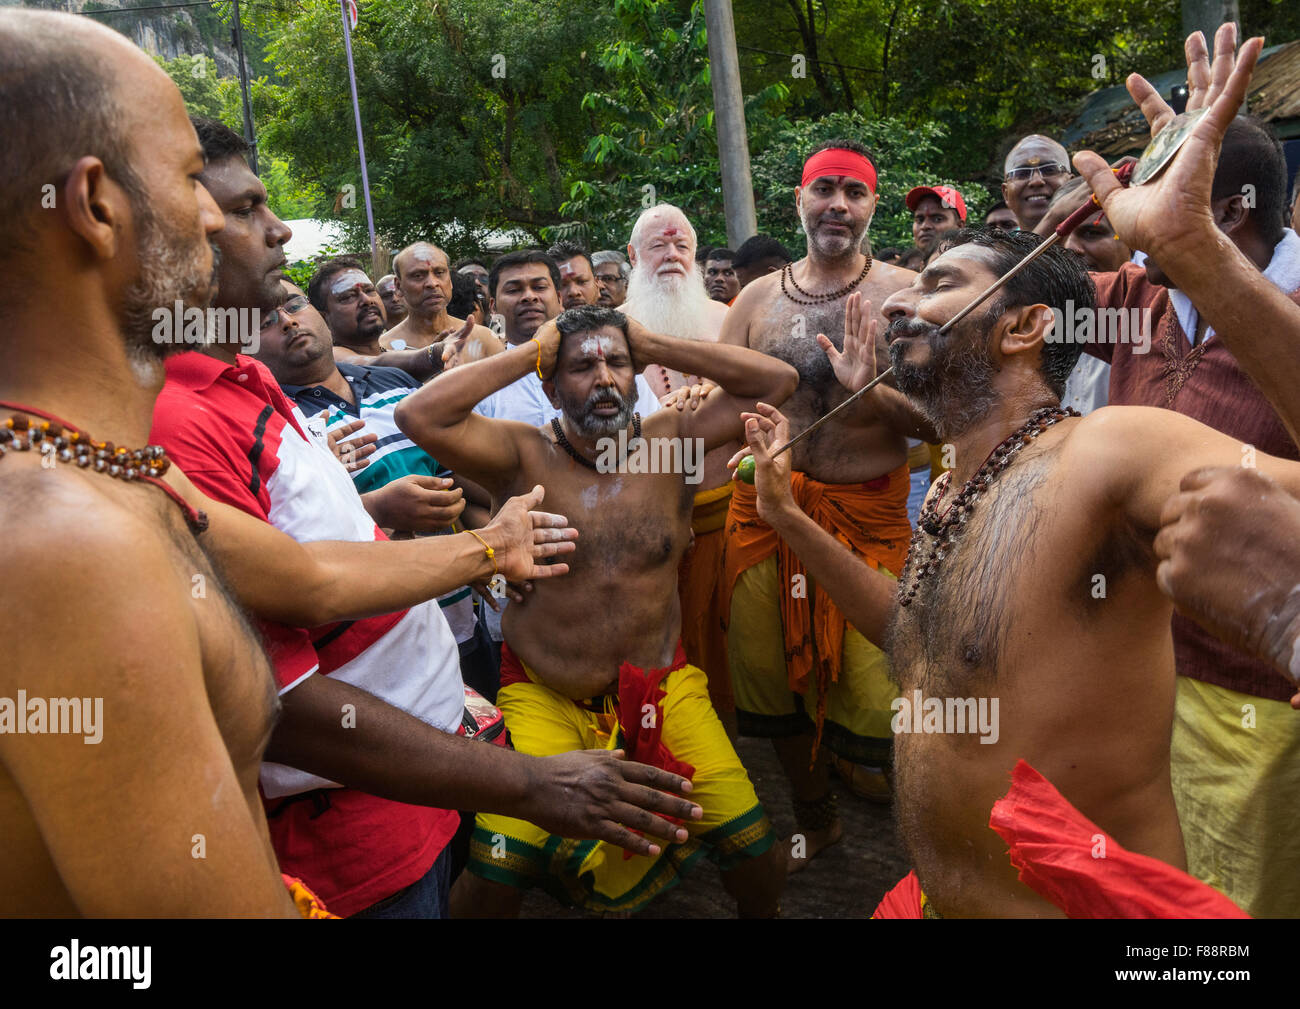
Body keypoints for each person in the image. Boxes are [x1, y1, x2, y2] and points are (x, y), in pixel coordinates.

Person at [736, 26, 1300, 916]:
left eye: (940, 284)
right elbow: (928, 644)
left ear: (1025, 328)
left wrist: (1192, 253)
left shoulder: (1106, 449)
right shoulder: (960, 476)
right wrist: (788, 517)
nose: (902, 303)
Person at [155, 118, 703, 918]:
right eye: (243, 209)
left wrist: (452, 702)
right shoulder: (174, 420)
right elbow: (282, 694)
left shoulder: (239, 379)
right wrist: (529, 780)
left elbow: (319, 566)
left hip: (418, 783)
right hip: (346, 838)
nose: (277, 231)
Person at [395, 305, 799, 915]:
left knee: (755, 855)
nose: (604, 378)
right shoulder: (522, 455)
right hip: (545, 691)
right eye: (581, 367)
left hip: (663, 688)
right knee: (501, 871)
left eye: (617, 363)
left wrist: (651, 340)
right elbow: (416, 414)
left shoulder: (674, 443)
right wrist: (536, 349)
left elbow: (777, 383)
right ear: (551, 384)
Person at [1080, 102, 1300, 914]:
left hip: (1267, 692)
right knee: (1162, 893)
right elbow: (1027, 298)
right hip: (1147, 665)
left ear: (1230, 211)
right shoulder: (1139, 296)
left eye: (1157, 189)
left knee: (1246, 904)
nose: (1130, 219)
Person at [719, 139, 933, 867]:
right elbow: (722, 406)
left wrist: (872, 387)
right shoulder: (753, 299)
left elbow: (943, 425)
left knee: (887, 694)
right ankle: (815, 815)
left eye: (855, 192)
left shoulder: (909, 293)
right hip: (762, 515)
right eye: (825, 189)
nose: (839, 204)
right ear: (801, 200)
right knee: (769, 680)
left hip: (865, 520)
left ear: (873, 205)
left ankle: (928, 844)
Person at [253, 281, 499, 702]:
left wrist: (485, 550)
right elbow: (279, 551)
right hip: (380, 656)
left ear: (321, 317)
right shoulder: (275, 425)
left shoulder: (394, 379)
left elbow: (457, 482)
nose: (289, 321)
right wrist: (377, 509)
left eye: (294, 305)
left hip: (461, 617)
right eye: (266, 321)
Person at [619, 205, 740, 723]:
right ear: (632, 255)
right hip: (649, 528)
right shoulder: (609, 332)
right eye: (658, 246)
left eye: (682, 246)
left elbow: (773, 395)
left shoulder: (728, 320)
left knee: (745, 658)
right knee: (663, 662)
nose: (672, 256)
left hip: (735, 518)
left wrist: (725, 387)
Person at [382, 241, 496, 353]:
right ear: (398, 286)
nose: (432, 283)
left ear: (450, 281)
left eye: (439, 272)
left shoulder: (484, 339)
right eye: (418, 275)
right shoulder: (384, 348)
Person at [307, 257, 388, 358]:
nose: (367, 300)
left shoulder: (400, 351)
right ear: (323, 319)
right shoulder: (334, 369)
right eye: (348, 296)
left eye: (369, 290)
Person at [1001, 134, 1073, 231]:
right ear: (1006, 194)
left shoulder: (1097, 242)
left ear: (1071, 183)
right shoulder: (998, 246)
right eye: (1022, 173)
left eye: (1049, 170)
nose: (1036, 181)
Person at [906, 184, 967, 257]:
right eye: (920, 220)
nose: (924, 226)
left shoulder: (975, 265)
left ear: (960, 226)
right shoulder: (898, 266)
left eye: (937, 219)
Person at [546, 240, 600, 310]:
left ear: (597, 284)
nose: (573, 292)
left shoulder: (616, 319)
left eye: (581, 281)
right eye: (561, 285)